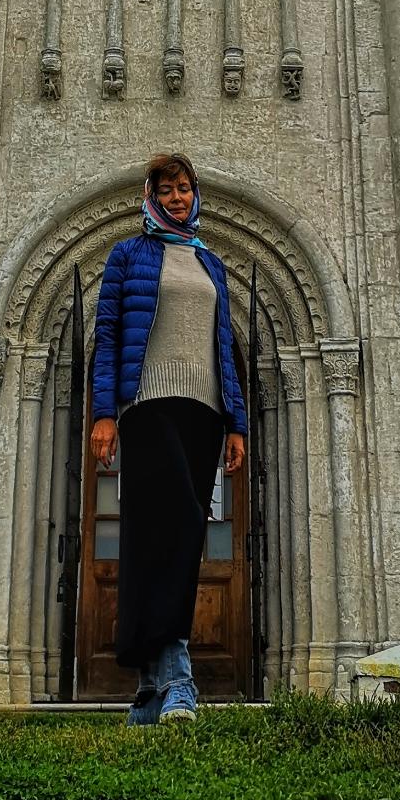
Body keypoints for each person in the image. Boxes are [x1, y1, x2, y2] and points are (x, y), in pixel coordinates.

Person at [90, 152, 248, 725]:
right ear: (152, 195)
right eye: (167, 189)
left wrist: (236, 422)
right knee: (163, 535)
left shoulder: (212, 263)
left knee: (176, 540)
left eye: (184, 188)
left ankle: (150, 691)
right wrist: (104, 414)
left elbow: (222, 346)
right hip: (148, 406)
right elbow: (107, 335)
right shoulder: (128, 254)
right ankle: (179, 683)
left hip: (202, 412)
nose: (178, 198)